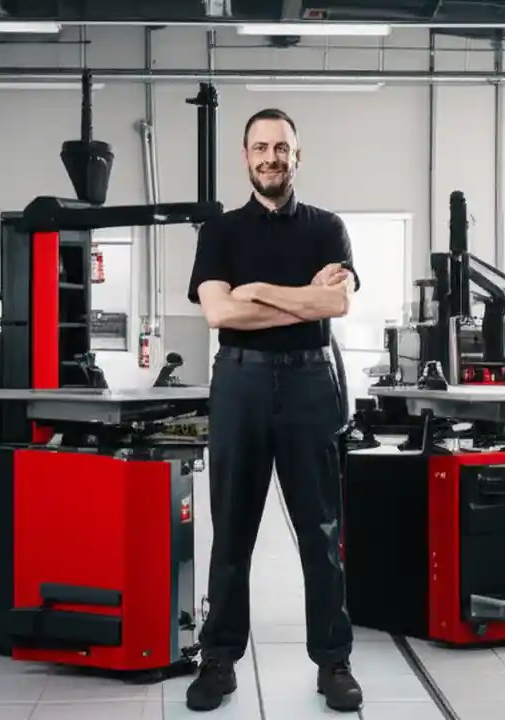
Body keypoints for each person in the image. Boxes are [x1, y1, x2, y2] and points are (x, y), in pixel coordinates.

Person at [184, 108, 362, 713]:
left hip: (312, 385)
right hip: (240, 386)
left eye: (281, 147)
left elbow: (337, 304)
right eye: (260, 147)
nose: (271, 157)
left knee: (322, 531)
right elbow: (218, 315)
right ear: (245, 157)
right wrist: (302, 302)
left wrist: (255, 291)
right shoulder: (220, 231)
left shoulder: (327, 228)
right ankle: (220, 660)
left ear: (297, 156)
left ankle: (333, 661)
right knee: (232, 530)